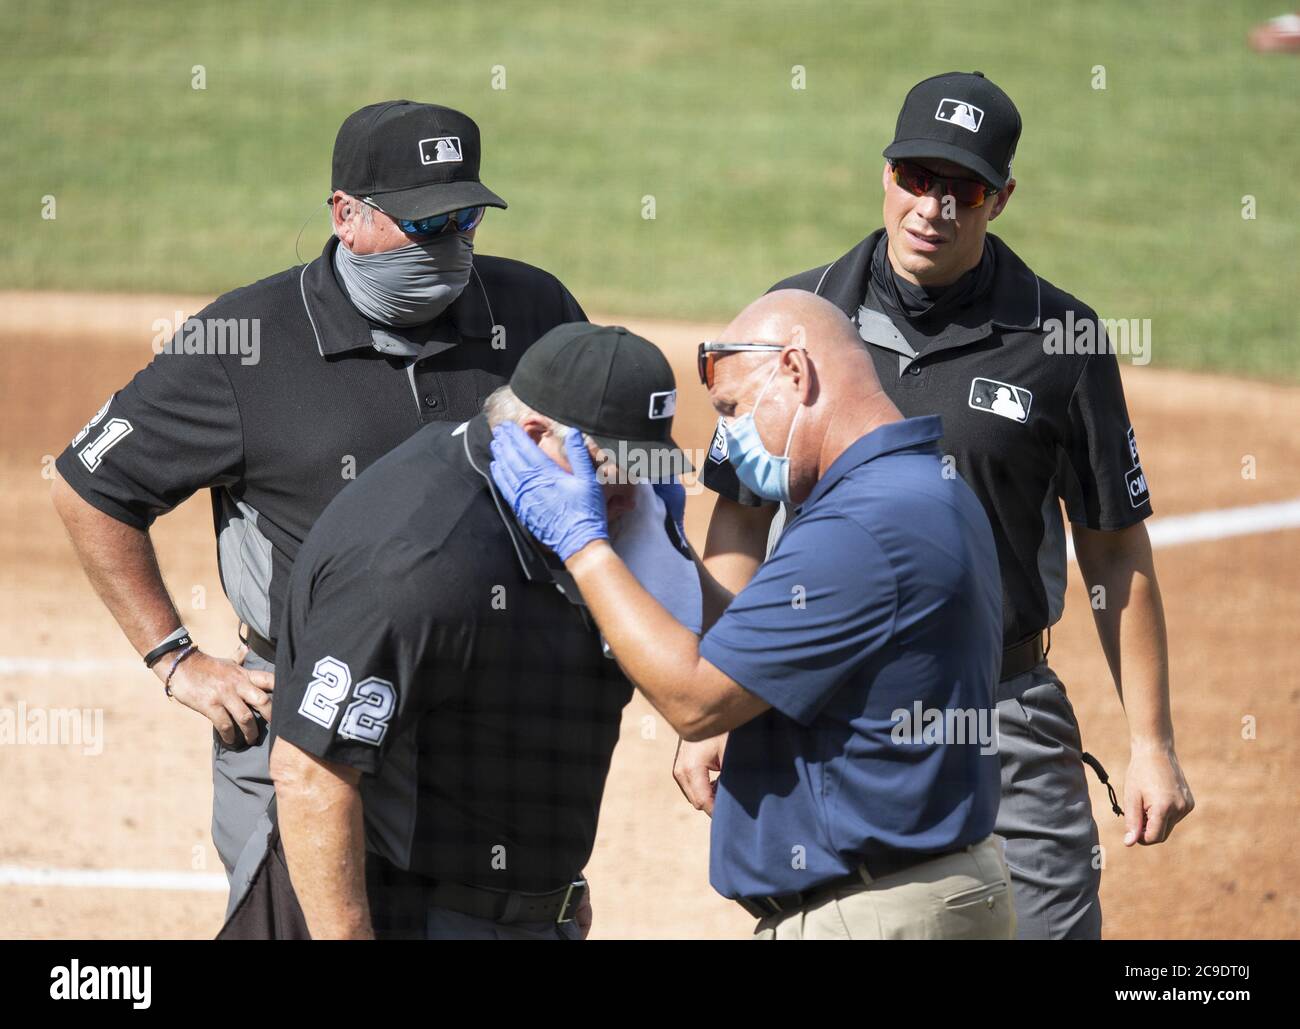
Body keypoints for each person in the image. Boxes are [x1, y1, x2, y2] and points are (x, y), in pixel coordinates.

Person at [684, 71, 1194, 939]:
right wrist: (716, 704)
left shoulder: (1060, 340)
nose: (934, 207)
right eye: (917, 178)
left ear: (1001, 198)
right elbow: (735, 516)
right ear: (886, 175)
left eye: (964, 188)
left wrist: (1151, 744)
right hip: (834, 710)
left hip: (1004, 704)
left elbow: (1112, 547)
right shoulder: (801, 318)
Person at [50, 100, 587, 915]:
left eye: (465, 216)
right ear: (347, 215)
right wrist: (175, 658)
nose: (450, 241)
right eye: (423, 220)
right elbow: (88, 482)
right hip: (310, 716)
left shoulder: (536, 311)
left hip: (491, 714)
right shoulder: (246, 341)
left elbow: (607, 479)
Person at [491, 292, 1016, 940]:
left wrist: (582, 542)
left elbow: (694, 700)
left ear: (796, 372)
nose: (730, 439)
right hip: (920, 893)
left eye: (733, 410)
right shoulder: (918, 487)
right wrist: (676, 551)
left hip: (872, 914)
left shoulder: (859, 527)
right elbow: (770, 634)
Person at [266, 324, 699, 939]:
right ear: (532, 437)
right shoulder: (421, 564)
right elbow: (311, 772)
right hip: (423, 920)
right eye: (618, 466)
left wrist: (547, 891)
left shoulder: (579, 514)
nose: (635, 492)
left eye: (647, 464)